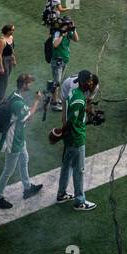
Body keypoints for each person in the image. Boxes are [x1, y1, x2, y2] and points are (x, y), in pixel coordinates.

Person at [0, 73, 45, 209]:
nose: (31, 84)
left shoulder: (15, 96)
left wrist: (34, 107)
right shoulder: (18, 103)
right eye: (29, 82)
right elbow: (28, 116)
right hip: (13, 140)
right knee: (8, 170)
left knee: (24, 159)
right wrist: (37, 101)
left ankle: (27, 188)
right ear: (24, 85)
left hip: (19, 137)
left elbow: (25, 115)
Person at [55, 70, 96, 211]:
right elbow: (71, 122)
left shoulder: (74, 92)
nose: (91, 83)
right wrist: (63, 133)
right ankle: (80, 202)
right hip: (76, 139)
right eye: (90, 80)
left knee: (66, 166)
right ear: (84, 82)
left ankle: (61, 194)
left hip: (69, 139)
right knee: (79, 170)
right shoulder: (79, 99)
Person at [0, 24, 15, 103]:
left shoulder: (11, 37)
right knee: (3, 81)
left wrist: (13, 59)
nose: (13, 31)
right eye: (12, 30)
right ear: (8, 31)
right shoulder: (2, 41)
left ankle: (2, 97)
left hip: (9, 60)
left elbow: (12, 49)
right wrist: (1, 67)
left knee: (5, 80)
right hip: (3, 61)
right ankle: (0, 100)